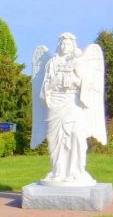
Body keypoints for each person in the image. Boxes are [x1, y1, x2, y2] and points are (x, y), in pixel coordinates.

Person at [29, 33, 106, 185]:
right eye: (62, 44)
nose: (65, 46)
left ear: (73, 46)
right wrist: (54, 83)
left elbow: (87, 83)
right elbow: (45, 85)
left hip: (73, 102)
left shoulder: (78, 61)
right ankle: (57, 172)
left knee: (76, 135)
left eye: (68, 44)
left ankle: (75, 172)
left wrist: (72, 80)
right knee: (54, 138)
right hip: (55, 102)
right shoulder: (52, 62)